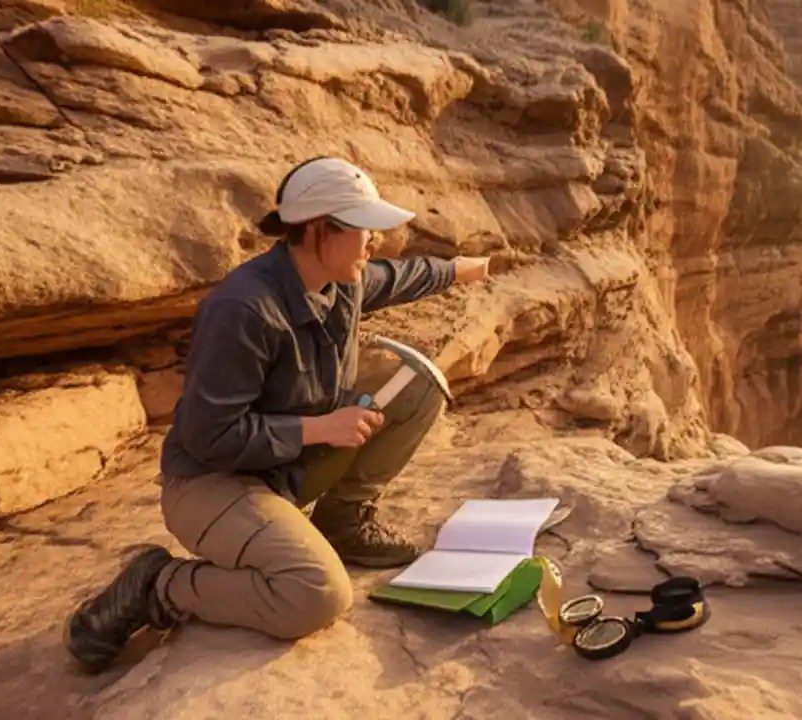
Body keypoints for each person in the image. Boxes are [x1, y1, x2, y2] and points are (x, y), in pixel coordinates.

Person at [63, 156, 491, 673]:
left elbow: (398, 276)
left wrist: (461, 269)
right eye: (363, 230)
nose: (375, 242)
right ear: (319, 231)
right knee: (317, 595)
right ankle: (161, 584)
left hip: (284, 466)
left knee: (416, 381)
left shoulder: (340, 281)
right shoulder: (243, 309)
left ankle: (343, 520)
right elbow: (207, 437)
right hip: (212, 482)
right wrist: (319, 428)